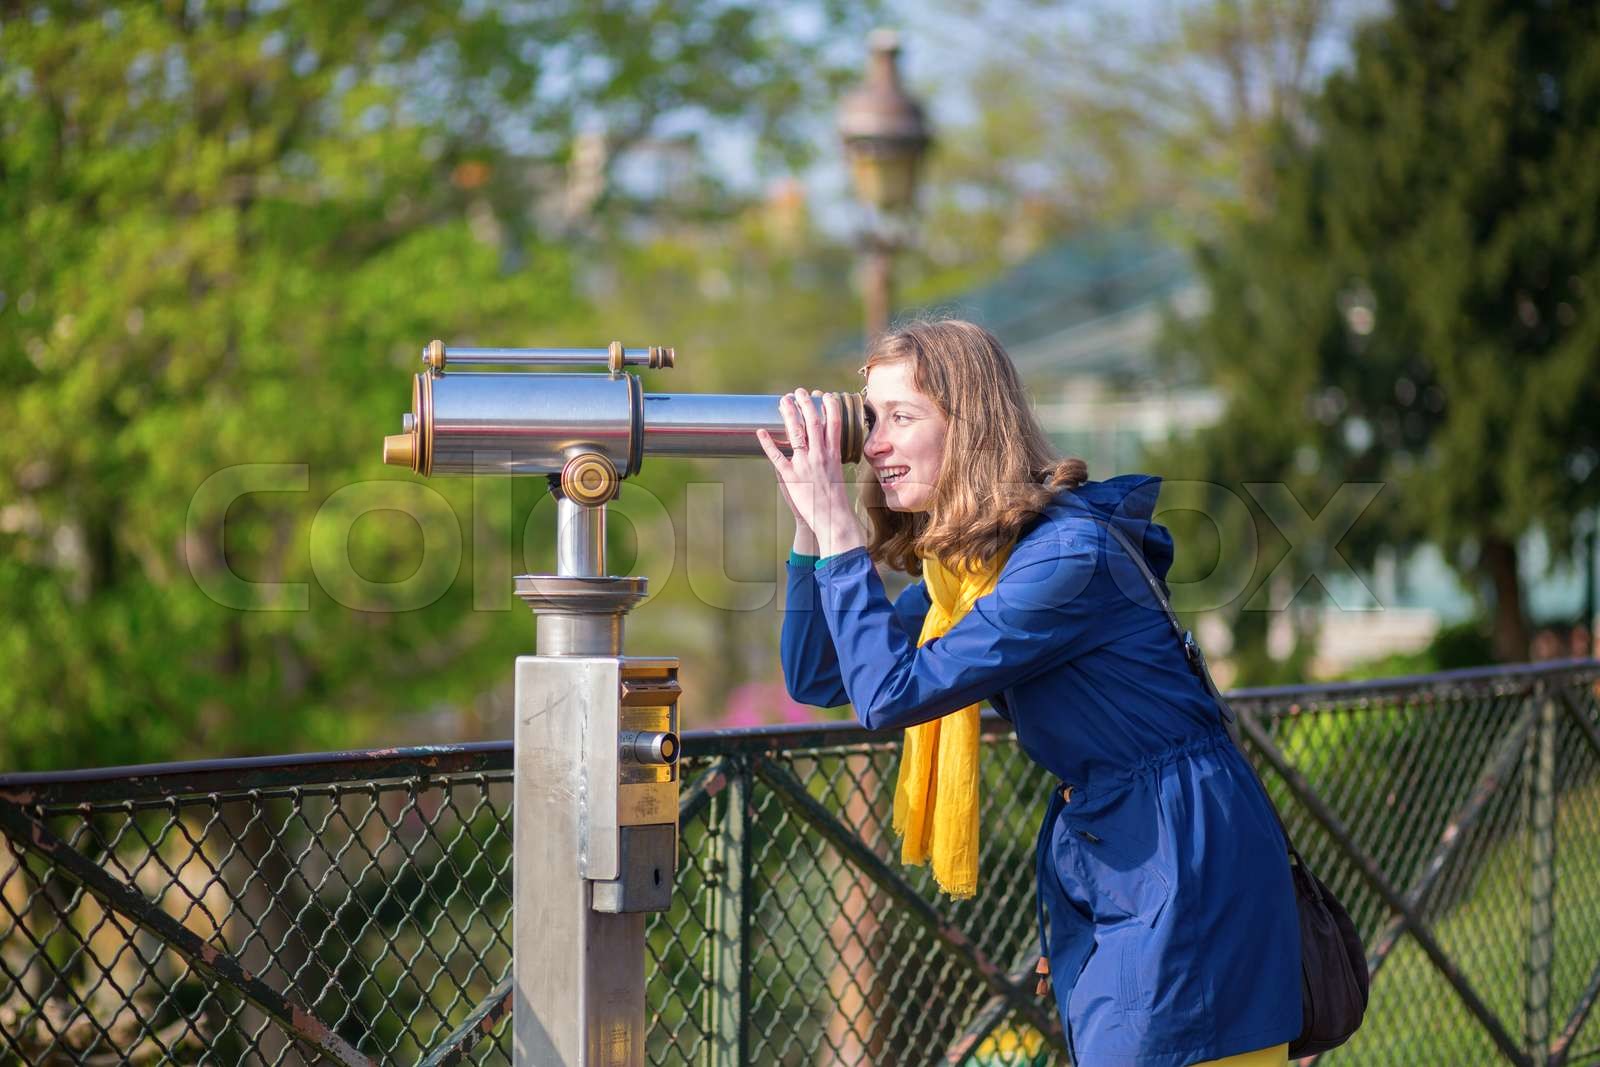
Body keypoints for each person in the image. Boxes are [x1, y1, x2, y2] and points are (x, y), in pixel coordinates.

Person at [756, 319, 1301, 1067]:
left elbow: (890, 694)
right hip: (1124, 849)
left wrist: (841, 528)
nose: (874, 443)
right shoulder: (979, 570)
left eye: (900, 417)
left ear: (971, 426)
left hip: (1183, 857)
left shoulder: (1063, 560)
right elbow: (821, 675)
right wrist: (809, 532)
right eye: (870, 419)